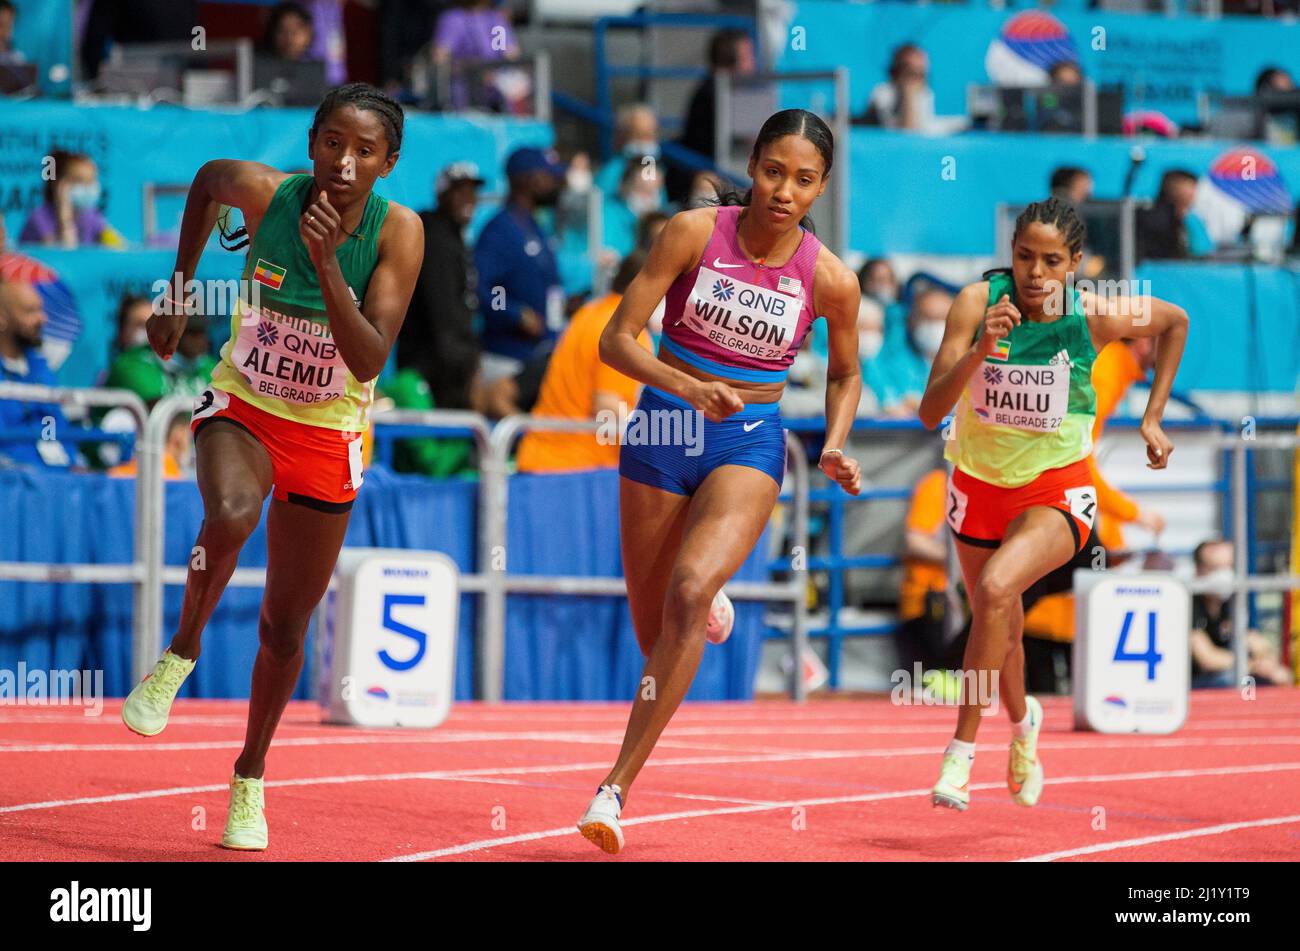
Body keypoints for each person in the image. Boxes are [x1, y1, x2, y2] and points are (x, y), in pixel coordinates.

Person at [120, 84, 423, 851]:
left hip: (328, 433)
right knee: (228, 515)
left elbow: (368, 356)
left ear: (389, 163)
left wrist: (326, 266)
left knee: (285, 627)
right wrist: (181, 291)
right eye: (333, 144)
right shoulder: (264, 193)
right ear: (314, 141)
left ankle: (249, 776)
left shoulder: (401, 234)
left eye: (365, 152)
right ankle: (181, 649)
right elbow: (205, 183)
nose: (344, 164)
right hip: (248, 404)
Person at [577, 109, 863, 853]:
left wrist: (834, 443)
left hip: (749, 438)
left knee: (690, 590)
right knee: (655, 633)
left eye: (803, 180)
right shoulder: (693, 233)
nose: (784, 190)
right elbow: (616, 341)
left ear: (822, 186)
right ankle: (700, 581)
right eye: (773, 171)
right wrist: (686, 384)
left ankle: (613, 790)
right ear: (753, 164)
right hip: (664, 427)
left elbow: (847, 373)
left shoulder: (832, 278)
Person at [918, 196, 1188, 813]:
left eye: (1051, 262)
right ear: (1008, 255)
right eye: (1023, 258)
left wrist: (1152, 417)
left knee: (994, 592)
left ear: (1075, 265)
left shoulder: (1091, 316)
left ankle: (959, 755)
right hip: (977, 489)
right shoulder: (974, 304)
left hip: (1056, 489)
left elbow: (1174, 323)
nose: (1035, 276)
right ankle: (1022, 727)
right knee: (1002, 628)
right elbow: (931, 410)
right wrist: (978, 352)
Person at [516, 250, 654, 474]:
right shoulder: (628, 332)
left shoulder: (589, 313)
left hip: (538, 459)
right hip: (578, 470)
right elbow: (608, 409)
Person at [474, 146, 566, 401]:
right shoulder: (500, 229)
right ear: (526, 179)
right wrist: (515, 313)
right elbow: (482, 287)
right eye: (547, 176)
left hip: (537, 357)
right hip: (507, 359)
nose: (555, 183)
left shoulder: (534, 226)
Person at [398, 161, 486, 412]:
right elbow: (442, 312)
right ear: (442, 196)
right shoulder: (436, 240)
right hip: (435, 371)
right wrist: (466, 365)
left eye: (472, 192)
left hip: (443, 364)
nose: (469, 199)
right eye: (460, 192)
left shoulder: (454, 238)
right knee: (434, 446)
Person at [665, 29, 755, 204]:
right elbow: (742, 141)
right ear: (730, 59)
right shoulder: (712, 93)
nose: (752, 64)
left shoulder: (723, 90)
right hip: (701, 176)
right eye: (748, 57)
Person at [1189, 539, 1291, 688]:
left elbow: (1256, 642)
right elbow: (1207, 658)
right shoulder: (1189, 604)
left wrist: (1268, 663)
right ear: (1199, 570)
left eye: (1229, 567)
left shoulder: (1231, 603)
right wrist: (1253, 665)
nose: (1225, 575)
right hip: (1194, 684)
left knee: (1281, 677)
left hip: (1227, 674)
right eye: (1216, 568)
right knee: (1239, 681)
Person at [0, 276, 75, 468]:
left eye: (41, 309)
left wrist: (72, 462)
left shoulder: (41, 369)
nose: (43, 318)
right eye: (30, 311)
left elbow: (59, 428)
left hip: (57, 479)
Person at [20, 151, 125, 249]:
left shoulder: (91, 217)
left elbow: (119, 247)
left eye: (91, 181)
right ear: (58, 184)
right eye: (79, 181)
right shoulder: (39, 219)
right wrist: (65, 219)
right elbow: (63, 258)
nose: (88, 188)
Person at [861, 44, 937, 132]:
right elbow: (906, 130)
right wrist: (908, 92)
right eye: (911, 73)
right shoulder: (883, 93)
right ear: (897, 72)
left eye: (922, 73)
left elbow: (923, 129)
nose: (917, 80)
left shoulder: (926, 94)